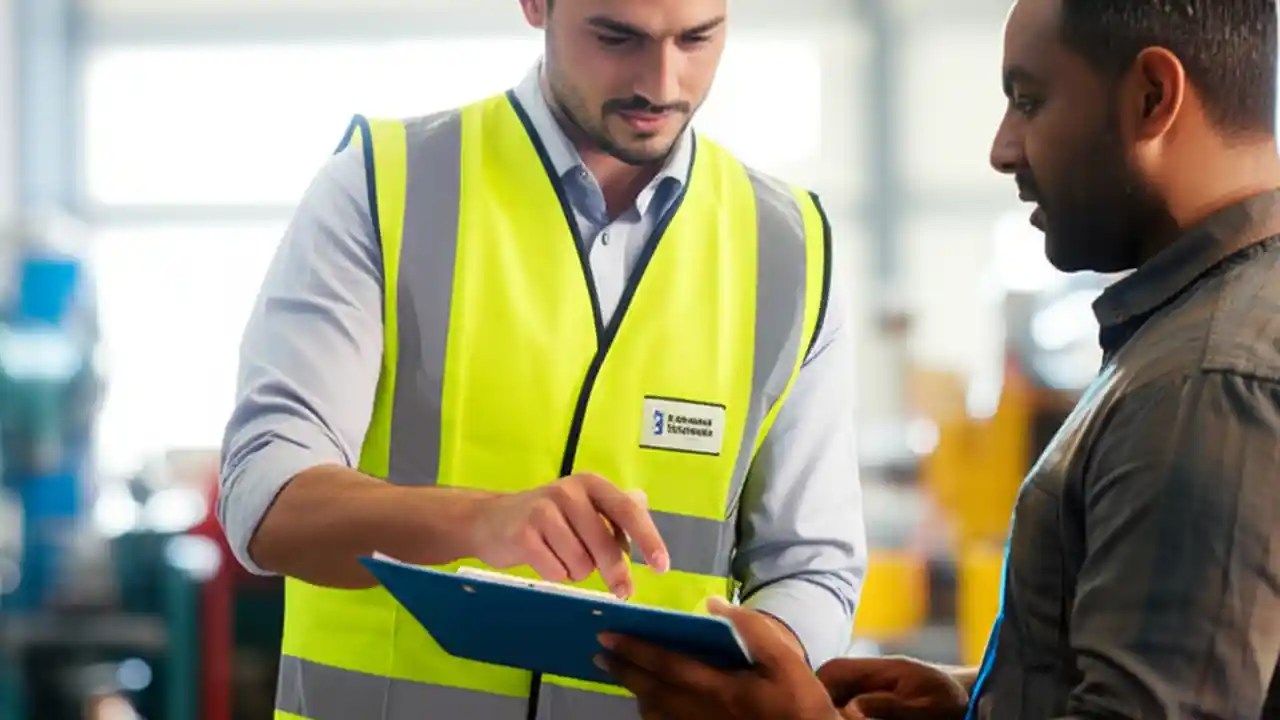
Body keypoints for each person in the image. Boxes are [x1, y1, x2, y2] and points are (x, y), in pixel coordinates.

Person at [600, 0, 1280, 718]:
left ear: (1152, 97)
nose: (1003, 149)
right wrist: (977, 697)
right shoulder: (1197, 339)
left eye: (1029, 101)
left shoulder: (1207, 382)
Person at [217, 0, 867, 717]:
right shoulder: (381, 187)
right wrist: (480, 522)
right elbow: (265, 497)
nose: (661, 83)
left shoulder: (792, 249)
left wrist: (761, 664)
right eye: (617, 37)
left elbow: (812, 564)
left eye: (696, 38)